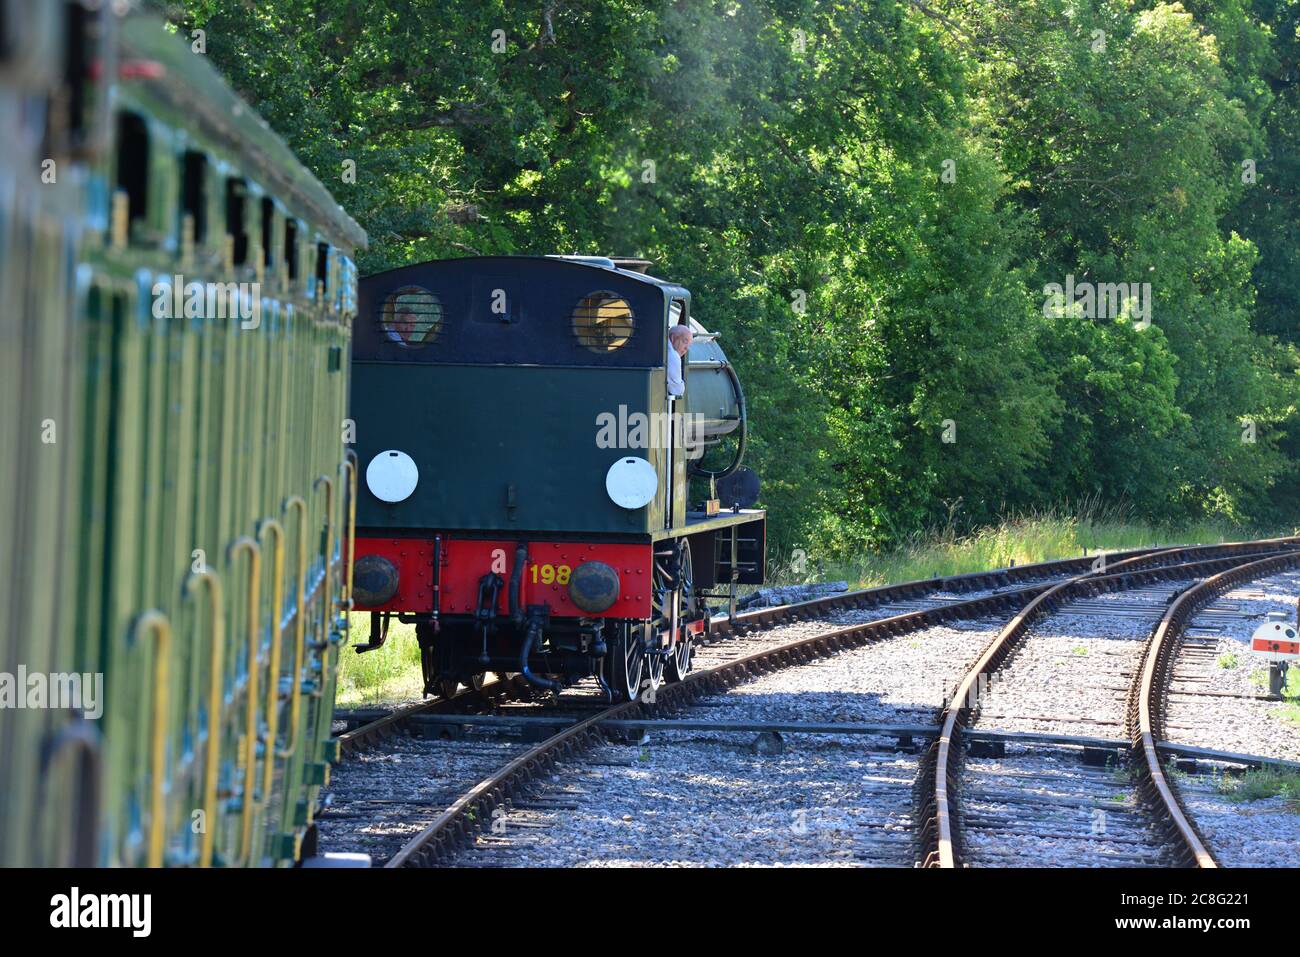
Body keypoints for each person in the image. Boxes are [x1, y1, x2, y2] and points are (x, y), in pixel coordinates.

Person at [667, 323, 692, 396]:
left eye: (689, 345)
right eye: (685, 342)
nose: (686, 348)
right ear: (673, 338)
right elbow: (677, 390)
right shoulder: (673, 356)